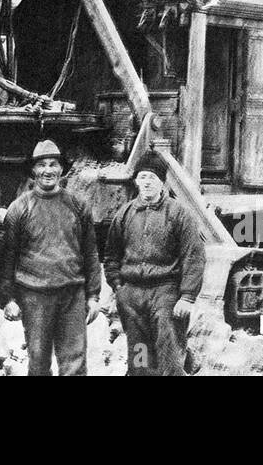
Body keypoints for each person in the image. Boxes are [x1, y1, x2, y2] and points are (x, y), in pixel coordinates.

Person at [0, 139, 101, 376]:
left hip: (72, 294)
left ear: (61, 169)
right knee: (38, 362)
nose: (48, 170)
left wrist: (93, 295)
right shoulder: (19, 208)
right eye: (42, 165)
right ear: (33, 171)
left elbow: (91, 253)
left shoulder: (78, 206)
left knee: (74, 363)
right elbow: (7, 257)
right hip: (34, 295)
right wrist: (8, 298)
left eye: (53, 164)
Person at [103, 151, 205, 376]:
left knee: (167, 349)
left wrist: (187, 296)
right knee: (139, 353)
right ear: (136, 181)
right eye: (143, 177)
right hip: (132, 295)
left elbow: (193, 256)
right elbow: (111, 255)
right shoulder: (125, 213)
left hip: (165, 292)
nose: (147, 182)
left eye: (152, 177)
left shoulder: (179, 214)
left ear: (162, 182)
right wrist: (119, 287)